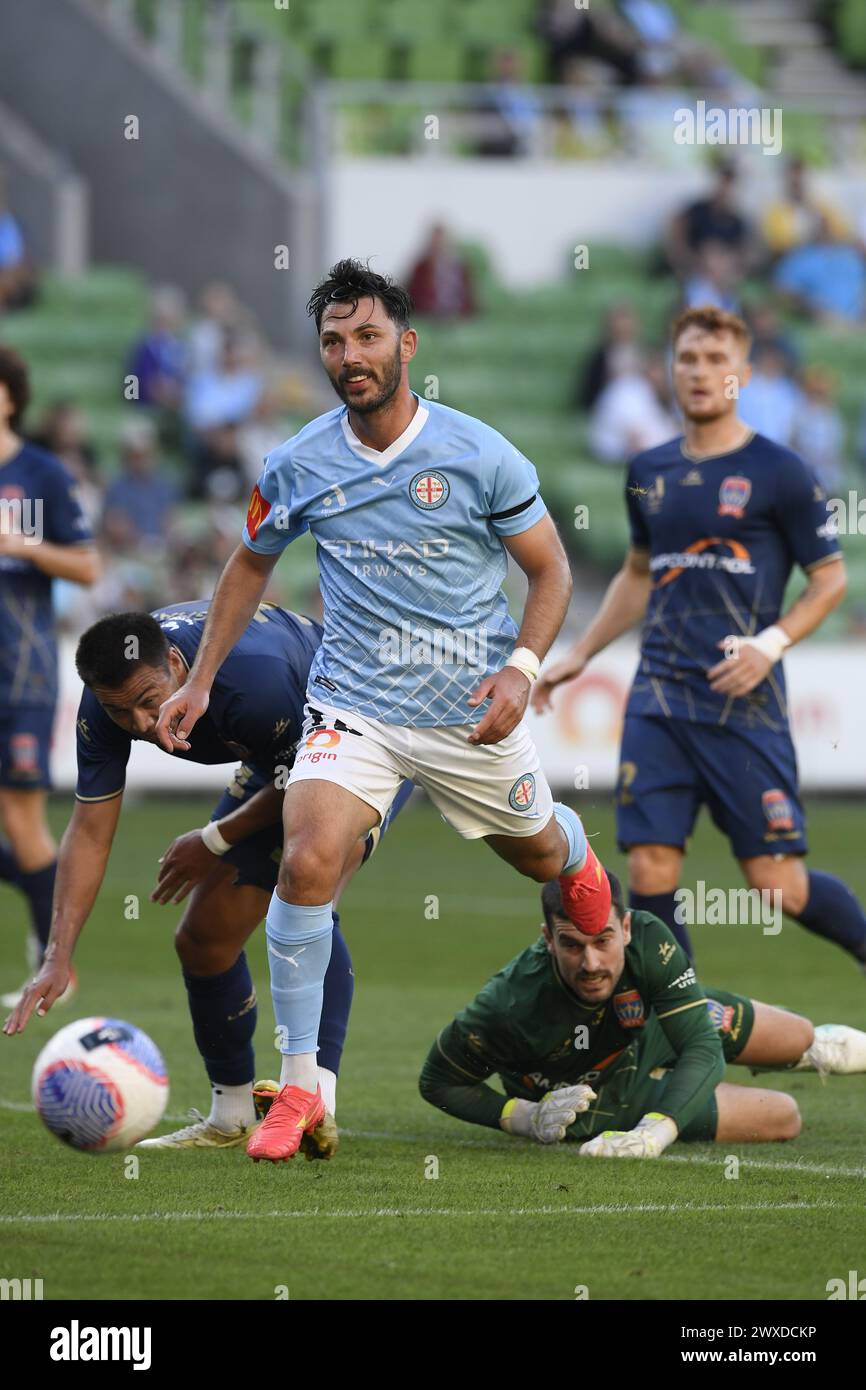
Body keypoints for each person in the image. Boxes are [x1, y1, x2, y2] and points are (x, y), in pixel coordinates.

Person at [155, 258, 612, 1164]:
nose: (350, 355)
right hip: (354, 705)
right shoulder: (298, 462)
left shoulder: (481, 455)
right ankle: (298, 1090)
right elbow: (250, 562)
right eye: (333, 340)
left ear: (406, 346)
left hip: (467, 713)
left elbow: (550, 568)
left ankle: (574, 845)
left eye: (366, 337)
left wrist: (522, 669)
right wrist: (201, 678)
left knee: (542, 859)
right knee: (308, 858)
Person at [3, 601, 411, 1155]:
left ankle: (317, 1103)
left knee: (308, 881)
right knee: (202, 940)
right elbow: (91, 831)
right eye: (122, 714)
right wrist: (58, 955)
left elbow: (309, 782)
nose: (142, 725)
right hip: (280, 758)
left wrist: (215, 839)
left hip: (367, 733)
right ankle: (231, 1115)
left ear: (177, 664)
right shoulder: (106, 704)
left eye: (150, 703)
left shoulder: (254, 684)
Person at [532, 306, 866, 970]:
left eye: (717, 360)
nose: (701, 372)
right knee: (652, 868)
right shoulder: (647, 470)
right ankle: (683, 1030)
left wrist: (768, 645)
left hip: (744, 700)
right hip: (659, 696)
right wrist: (578, 653)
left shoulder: (783, 473)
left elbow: (829, 582)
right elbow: (637, 573)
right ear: (669, 369)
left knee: (777, 886)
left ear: (742, 373)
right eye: (688, 358)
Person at [420, 873, 866, 1154]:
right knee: (783, 1116)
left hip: (653, 1027)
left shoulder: (651, 938)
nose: (591, 963)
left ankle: (819, 1053)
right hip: (599, 1093)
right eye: (572, 945)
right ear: (548, 939)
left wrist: (659, 1132)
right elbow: (438, 1081)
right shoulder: (509, 1003)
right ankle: (673, 1092)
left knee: (800, 1035)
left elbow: (700, 1044)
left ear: (627, 926)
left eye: (603, 941)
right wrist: (524, 1117)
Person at [0, 347, 99, 1008]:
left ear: (10, 397)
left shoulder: (43, 474)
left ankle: (52, 963)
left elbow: (88, 568)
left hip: (22, 672)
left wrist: (22, 547)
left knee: (20, 817)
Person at [406, 225, 477, 320]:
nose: (439, 246)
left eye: (442, 242)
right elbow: (414, 295)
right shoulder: (422, 267)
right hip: (431, 317)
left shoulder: (459, 267)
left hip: (456, 315)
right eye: (436, 242)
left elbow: (468, 295)